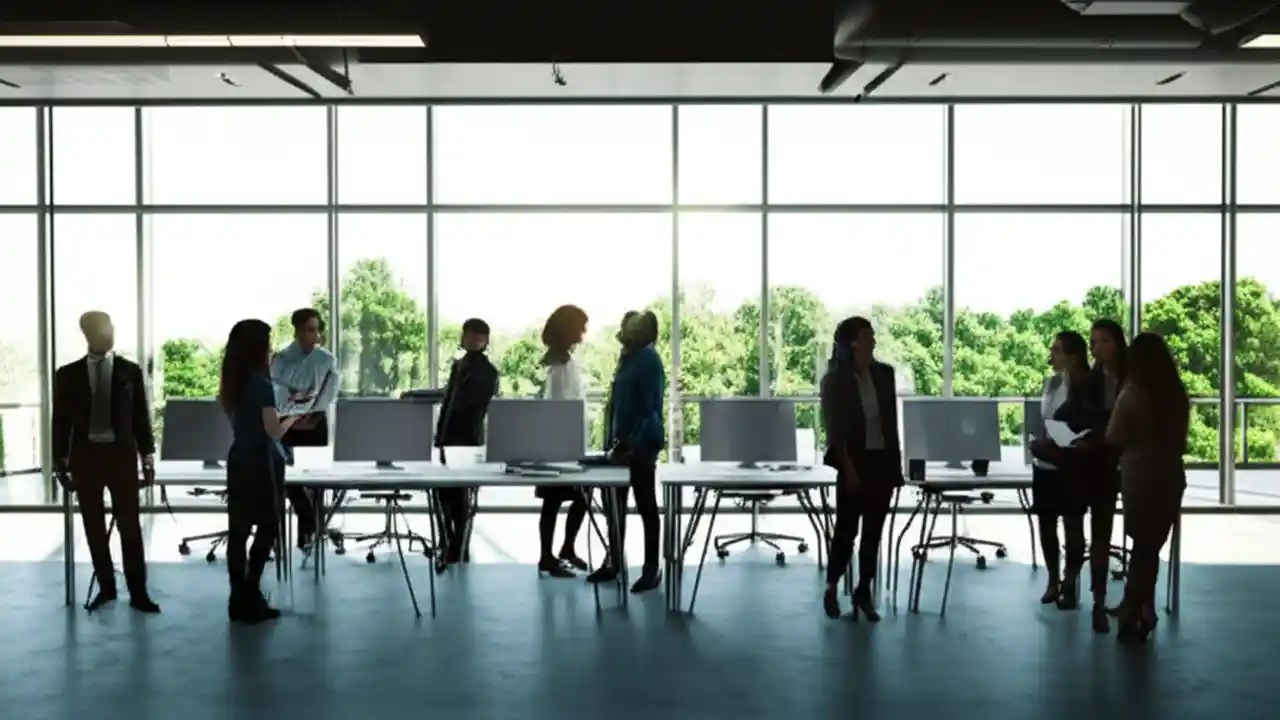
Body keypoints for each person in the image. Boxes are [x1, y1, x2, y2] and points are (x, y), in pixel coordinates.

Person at [52, 311, 161, 614]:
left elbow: (141, 416)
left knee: (130, 526)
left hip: (121, 457)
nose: (111, 332)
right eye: (106, 327)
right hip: (86, 459)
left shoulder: (130, 371)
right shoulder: (68, 374)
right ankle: (107, 588)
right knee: (94, 527)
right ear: (89, 333)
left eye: (112, 326)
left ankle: (139, 593)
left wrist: (148, 456)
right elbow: (59, 421)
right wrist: (60, 462)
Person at [1105, 332, 1188, 644]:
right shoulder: (1175, 394)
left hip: (1139, 470)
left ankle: (1132, 608)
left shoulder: (1132, 392)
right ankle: (1140, 608)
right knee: (1150, 546)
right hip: (1170, 471)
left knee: (1142, 546)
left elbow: (1113, 435)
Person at [819, 316, 903, 623]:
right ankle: (831, 586)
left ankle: (864, 591)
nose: (873, 342)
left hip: (881, 461)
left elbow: (891, 424)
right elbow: (836, 433)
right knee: (846, 531)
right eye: (868, 337)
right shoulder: (835, 381)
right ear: (852, 343)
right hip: (853, 462)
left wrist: (896, 468)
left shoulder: (884, 374)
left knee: (873, 534)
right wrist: (850, 471)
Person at [220, 319, 298, 624]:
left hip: (239, 460)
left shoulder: (232, 382)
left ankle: (237, 596)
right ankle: (251, 592)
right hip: (262, 464)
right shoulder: (261, 385)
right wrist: (292, 416)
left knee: (238, 531)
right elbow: (274, 432)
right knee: (268, 526)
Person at [1028, 331, 1106, 615]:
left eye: (1057, 351)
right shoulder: (1051, 383)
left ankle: (1070, 581)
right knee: (1046, 523)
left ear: (1073, 356)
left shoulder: (1088, 387)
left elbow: (1091, 423)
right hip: (1046, 462)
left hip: (1072, 465)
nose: (1051, 355)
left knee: (1073, 526)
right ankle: (1052, 580)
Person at [588, 310, 665, 593]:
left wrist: (632, 443)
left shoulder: (646, 359)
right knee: (614, 506)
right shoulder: (628, 358)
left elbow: (649, 408)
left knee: (645, 505)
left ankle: (650, 569)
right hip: (620, 446)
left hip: (639, 447)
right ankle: (614, 562)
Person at [269, 308, 339, 551]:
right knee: (288, 478)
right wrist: (294, 409)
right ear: (297, 330)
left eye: (317, 329)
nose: (315, 335)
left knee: (315, 480)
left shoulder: (326, 359)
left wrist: (309, 410)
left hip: (315, 423)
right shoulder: (281, 360)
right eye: (309, 329)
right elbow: (279, 394)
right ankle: (305, 522)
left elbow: (327, 392)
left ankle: (307, 536)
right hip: (286, 425)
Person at [434, 318, 500, 568]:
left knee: (462, 498)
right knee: (443, 495)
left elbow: (477, 407)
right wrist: (439, 434)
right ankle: (447, 541)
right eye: (468, 334)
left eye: (476, 335)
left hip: (468, 438)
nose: (470, 339)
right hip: (447, 436)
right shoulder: (458, 365)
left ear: (484, 340)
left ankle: (458, 546)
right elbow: (449, 401)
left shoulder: (488, 371)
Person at [535, 305, 591, 578]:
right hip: (560, 445)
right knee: (557, 500)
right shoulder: (560, 365)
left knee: (567, 499)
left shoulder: (561, 361)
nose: (583, 333)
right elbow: (560, 407)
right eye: (580, 327)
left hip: (566, 442)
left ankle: (562, 550)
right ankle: (550, 555)